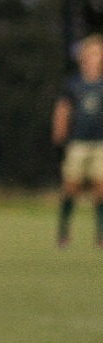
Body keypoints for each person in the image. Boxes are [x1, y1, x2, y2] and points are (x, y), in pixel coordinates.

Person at [53, 34, 103, 248]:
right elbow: (63, 110)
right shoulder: (73, 84)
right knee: (70, 187)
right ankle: (63, 233)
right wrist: (59, 133)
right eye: (91, 54)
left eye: (98, 54)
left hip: (100, 143)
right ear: (83, 57)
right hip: (78, 143)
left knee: (101, 188)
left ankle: (100, 235)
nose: (94, 58)